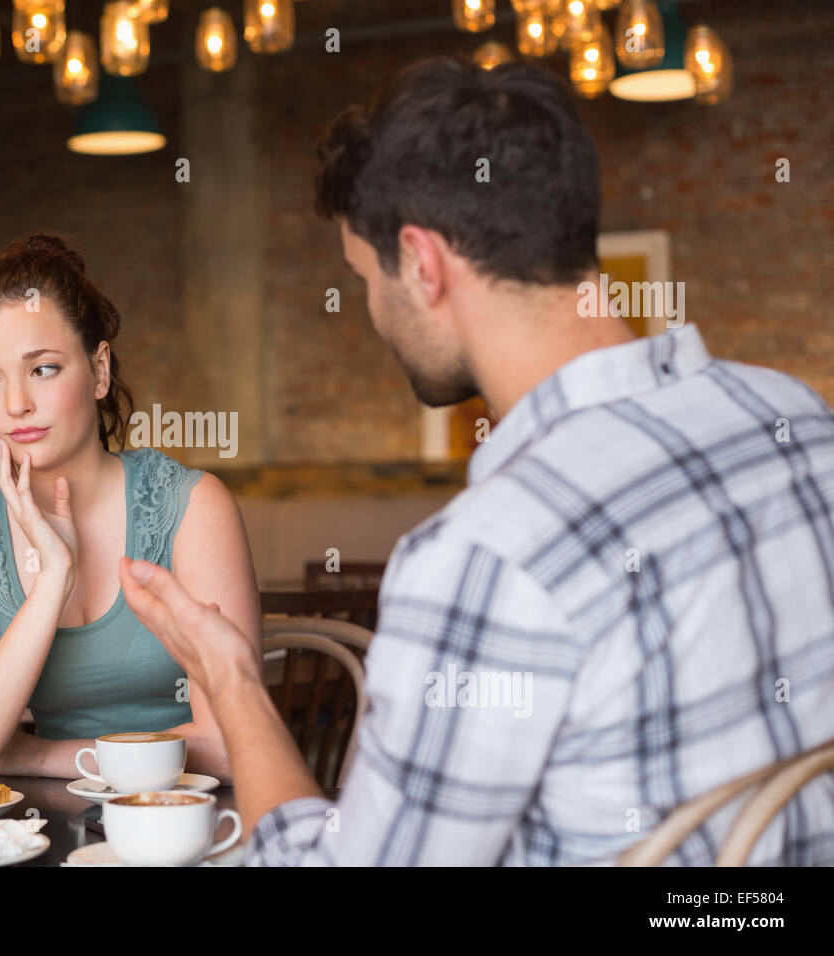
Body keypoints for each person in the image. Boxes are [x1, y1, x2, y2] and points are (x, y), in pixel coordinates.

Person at [118, 56, 834, 865]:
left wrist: (230, 678)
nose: (372, 313)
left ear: (422, 265)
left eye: (364, 276)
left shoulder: (485, 557)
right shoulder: (795, 418)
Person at [0, 234, 263, 781]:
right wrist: (54, 577)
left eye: (43, 368)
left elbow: (231, 743)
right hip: (44, 843)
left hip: (195, 826)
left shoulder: (193, 507)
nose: (15, 404)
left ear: (99, 371)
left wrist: (34, 757)